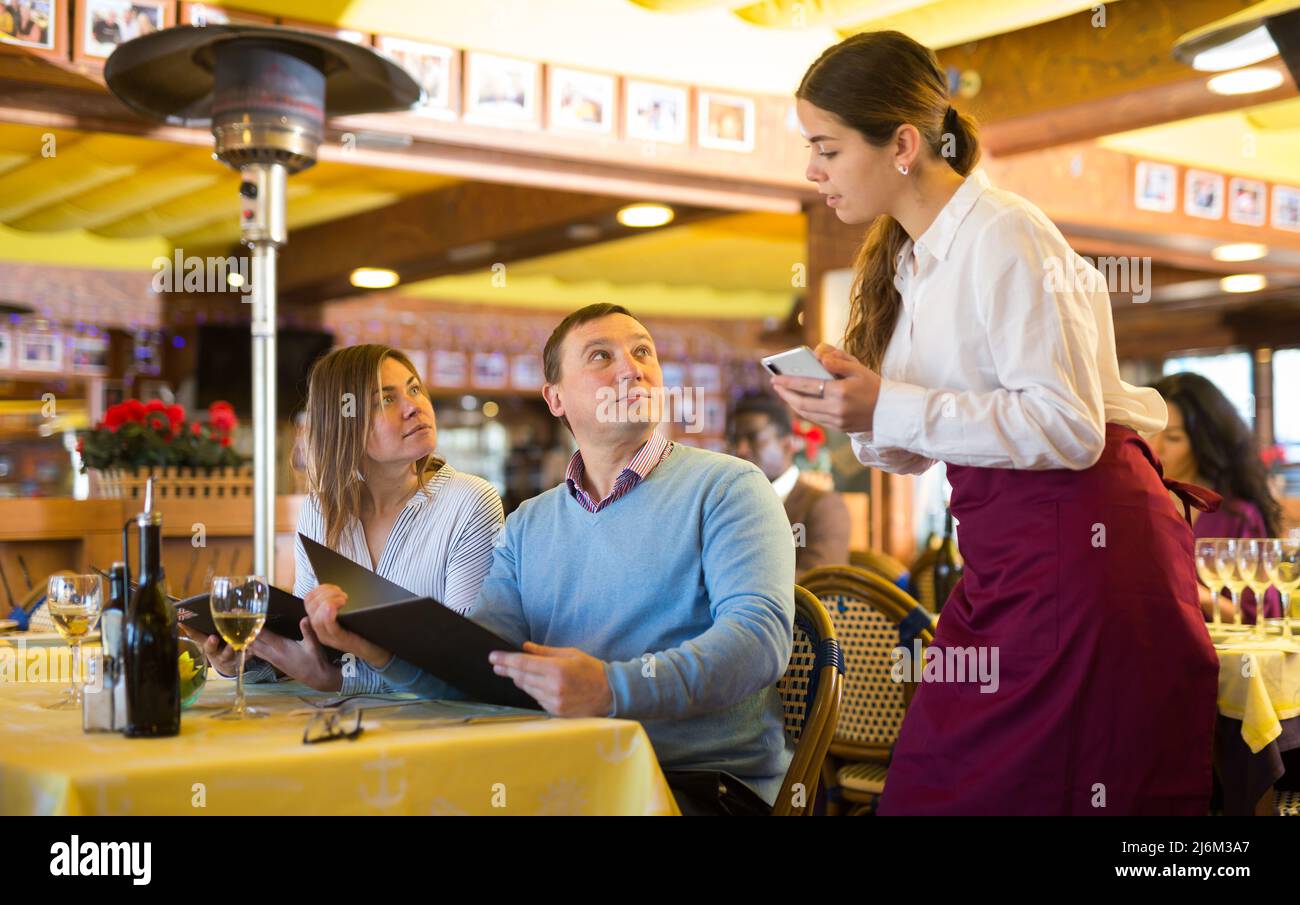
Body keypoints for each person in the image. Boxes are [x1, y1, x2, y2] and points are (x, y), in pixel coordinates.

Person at [771, 31, 1219, 815]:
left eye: (827, 148)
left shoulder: (1005, 233)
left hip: (1084, 549)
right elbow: (926, 441)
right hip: (1006, 556)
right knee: (944, 780)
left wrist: (887, 404)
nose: (812, 170)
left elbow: (1067, 426)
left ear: (902, 144)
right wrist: (854, 408)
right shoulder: (911, 261)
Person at [304, 304, 796, 815]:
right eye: (602, 356)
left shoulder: (729, 488)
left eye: (642, 351)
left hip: (696, 786)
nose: (632, 368)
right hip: (563, 772)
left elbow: (758, 642)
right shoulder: (527, 524)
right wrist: (376, 648)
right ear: (555, 398)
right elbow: (479, 665)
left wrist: (610, 689)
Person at [182, 345, 503, 694]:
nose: (414, 407)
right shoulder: (321, 511)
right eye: (386, 399)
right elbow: (309, 649)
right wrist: (240, 663)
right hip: (344, 724)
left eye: (414, 389)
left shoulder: (469, 501)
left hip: (439, 731)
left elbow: (465, 665)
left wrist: (341, 679)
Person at [1151, 371, 1283, 623]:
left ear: (1203, 443)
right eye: (1149, 431)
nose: (1156, 448)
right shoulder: (1138, 507)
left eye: (1173, 437)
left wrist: (1192, 593)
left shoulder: (1236, 516)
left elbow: (1259, 617)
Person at [729, 392, 850, 576]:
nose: (740, 450)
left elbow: (821, 581)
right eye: (735, 440)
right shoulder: (730, 505)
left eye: (752, 438)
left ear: (787, 444)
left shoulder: (823, 506)